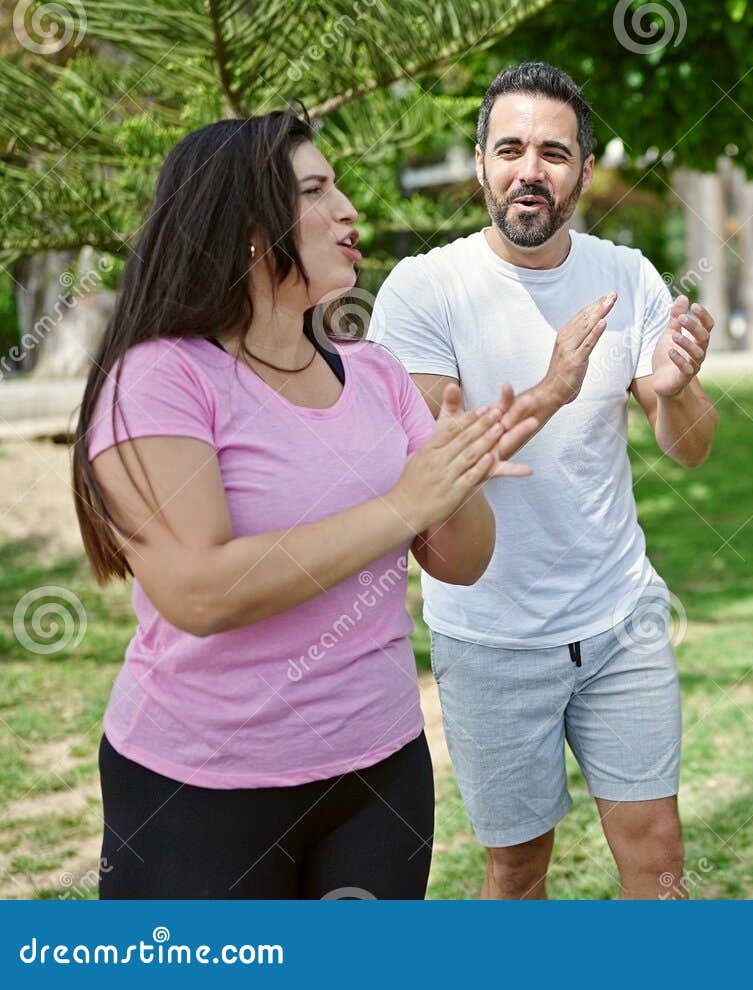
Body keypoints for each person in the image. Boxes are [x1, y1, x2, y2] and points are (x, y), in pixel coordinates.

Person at [73, 111, 526, 899]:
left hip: (380, 774)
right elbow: (199, 592)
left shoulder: (378, 375)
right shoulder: (162, 378)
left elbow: (461, 561)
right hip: (202, 788)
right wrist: (404, 502)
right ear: (249, 230)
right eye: (317, 189)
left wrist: (460, 476)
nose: (349, 209)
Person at [370, 62, 718, 900]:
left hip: (619, 617)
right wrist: (553, 389)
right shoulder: (424, 289)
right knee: (518, 871)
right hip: (489, 635)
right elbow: (426, 477)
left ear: (584, 173)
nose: (532, 170)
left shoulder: (627, 275)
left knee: (658, 853)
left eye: (554, 153)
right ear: (484, 161)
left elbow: (690, 447)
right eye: (512, 149)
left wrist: (678, 392)